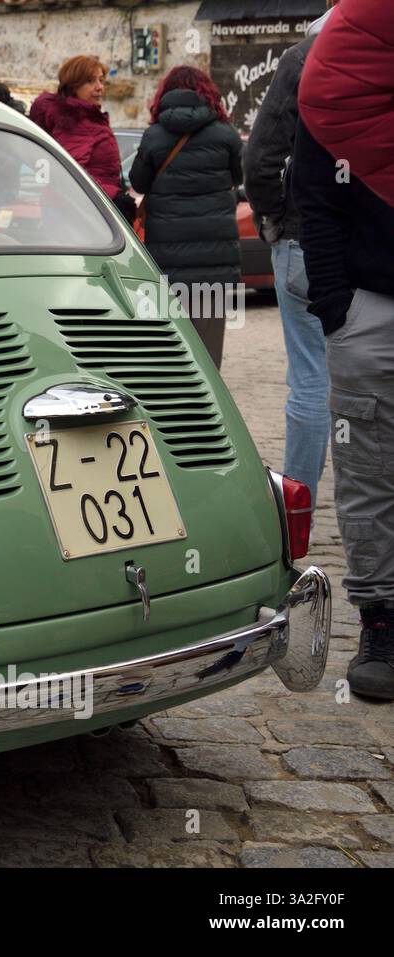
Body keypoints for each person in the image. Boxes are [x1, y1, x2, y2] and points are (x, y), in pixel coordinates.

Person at [293, 0, 394, 701]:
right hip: (370, 309)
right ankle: (383, 621)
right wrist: (338, 309)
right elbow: (313, 196)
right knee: (368, 475)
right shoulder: (335, 71)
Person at [242, 3, 336, 507]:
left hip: (308, 238)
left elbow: (260, 157)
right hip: (376, 239)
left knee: (310, 378)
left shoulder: (306, 56)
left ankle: (299, 504)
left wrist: (275, 218)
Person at [129, 66, 242, 368]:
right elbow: (239, 176)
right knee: (208, 350)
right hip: (215, 260)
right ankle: (210, 407)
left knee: (170, 345)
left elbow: (138, 183)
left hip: (167, 259)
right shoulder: (226, 134)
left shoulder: (154, 135)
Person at [30, 56, 133, 221]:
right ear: (74, 86)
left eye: (101, 80)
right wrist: (113, 195)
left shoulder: (87, 117)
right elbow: (69, 175)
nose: (99, 87)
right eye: (91, 81)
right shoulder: (74, 120)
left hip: (80, 208)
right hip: (76, 214)